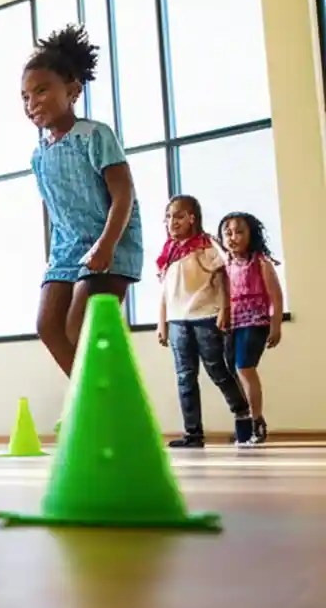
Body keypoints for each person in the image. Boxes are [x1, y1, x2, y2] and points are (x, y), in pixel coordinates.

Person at [23, 25, 143, 384]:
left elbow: (124, 194)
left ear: (73, 90)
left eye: (42, 90)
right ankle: (90, 399)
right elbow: (56, 212)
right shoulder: (39, 155)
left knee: (80, 328)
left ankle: (107, 401)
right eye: (26, 97)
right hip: (67, 250)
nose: (33, 103)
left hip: (110, 241)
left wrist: (105, 244)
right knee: (48, 326)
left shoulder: (95, 135)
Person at [155, 196, 252, 447]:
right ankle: (193, 435)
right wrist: (162, 323)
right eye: (168, 216)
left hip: (205, 317)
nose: (172, 221)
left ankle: (243, 413)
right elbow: (165, 292)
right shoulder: (169, 252)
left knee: (217, 370)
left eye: (178, 216)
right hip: (178, 321)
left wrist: (225, 309)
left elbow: (222, 277)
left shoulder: (206, 245)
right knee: (185, 377)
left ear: (192, 219)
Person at [218, 211, 283, 445]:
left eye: (239, 232)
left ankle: (257, 422)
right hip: (232, 323)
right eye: (228, 233)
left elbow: (275, 296)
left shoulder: (261, 262)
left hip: (255, 321)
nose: (233, 237)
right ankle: (244, 424)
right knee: (231, 370)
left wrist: (275, 325)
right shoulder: (223, 264)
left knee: (245, 367)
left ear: (250, 234)